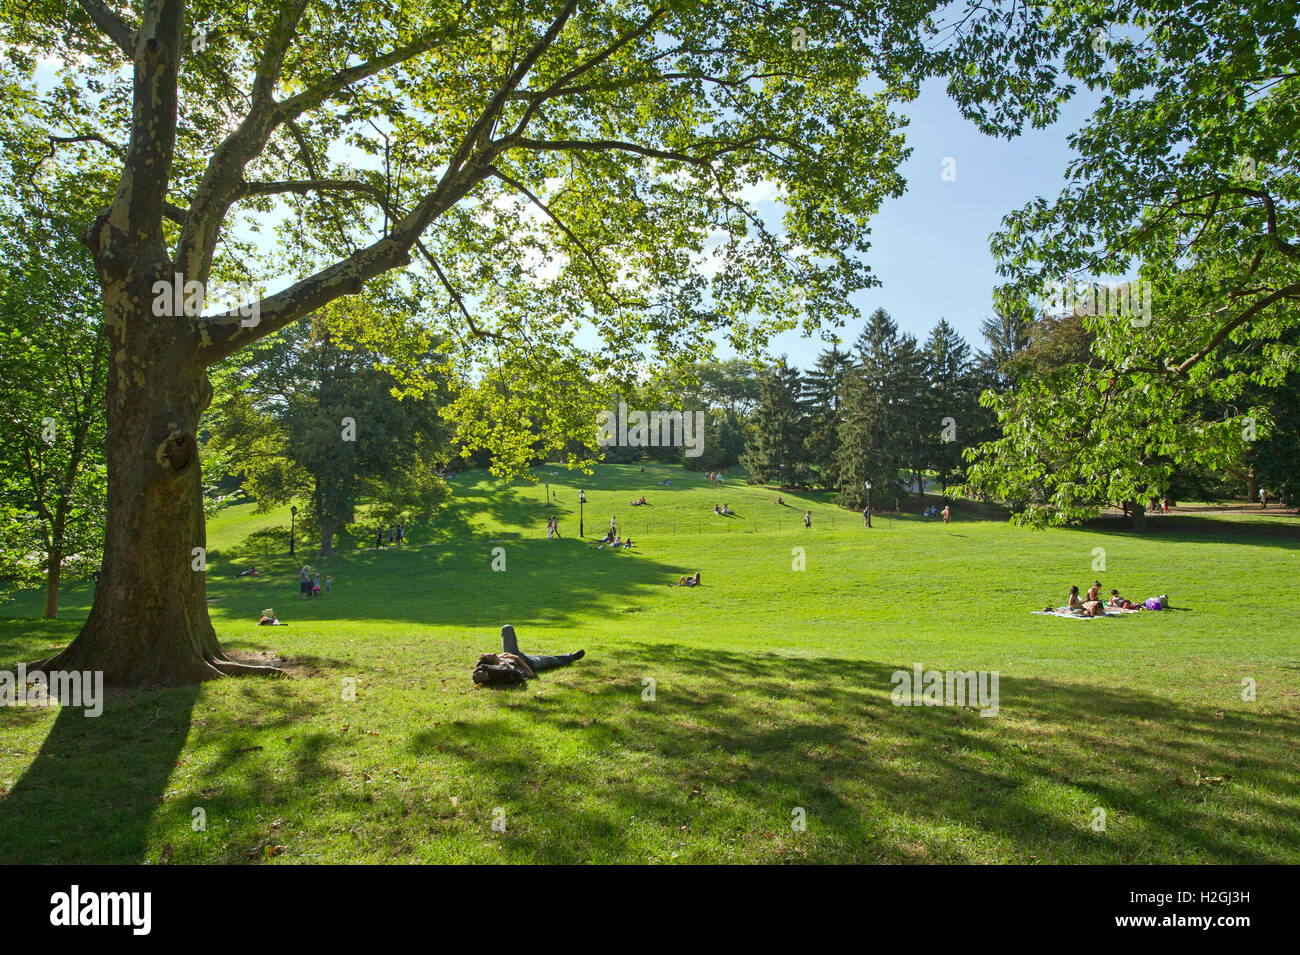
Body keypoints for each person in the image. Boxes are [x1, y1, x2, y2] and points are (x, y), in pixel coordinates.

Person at [472, 625, 586, 687]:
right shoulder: (508, 669)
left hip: (514, 654)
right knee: (552, 660)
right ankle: (571, 657)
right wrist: (516, 659)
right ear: (492, 663)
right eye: (492, 656)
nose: (494, 653)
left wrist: (507, 655)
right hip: (528, 662)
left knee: (507, 628)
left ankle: (569, 657)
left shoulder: (498, 659)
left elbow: (480, 666)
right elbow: (531, 675)